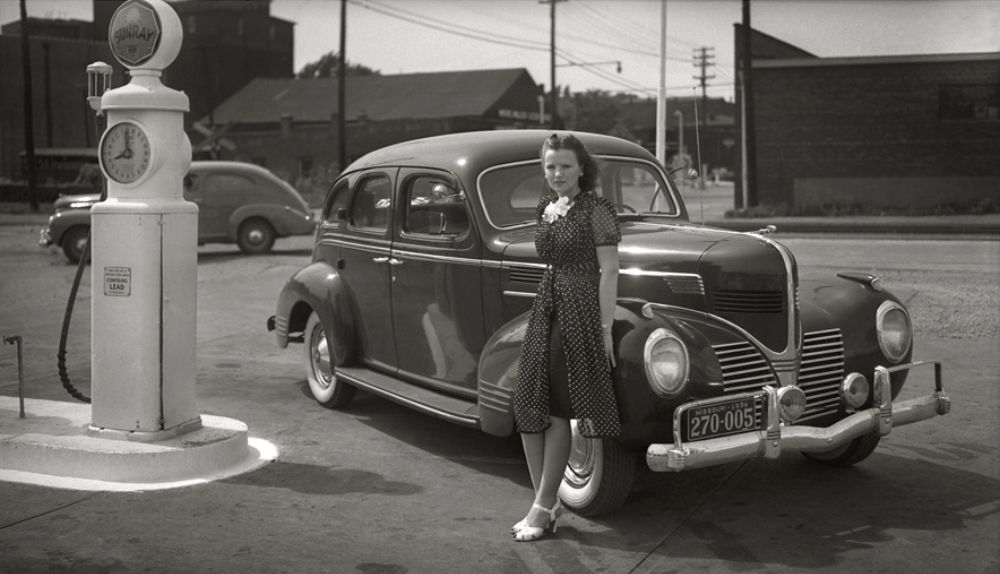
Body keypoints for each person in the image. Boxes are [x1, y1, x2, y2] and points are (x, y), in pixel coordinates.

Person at [510, 133, 622, 542]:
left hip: (581, 311)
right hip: (548, 305)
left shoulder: (598, 210)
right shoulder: (546, 207)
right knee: (527, 402)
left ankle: (541, 507)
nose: (556, 174)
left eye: (565, 166)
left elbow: (609, 271)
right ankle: (547, 501)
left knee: (558, 408)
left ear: (581, 168)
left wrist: (605, 328)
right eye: (550, 166)